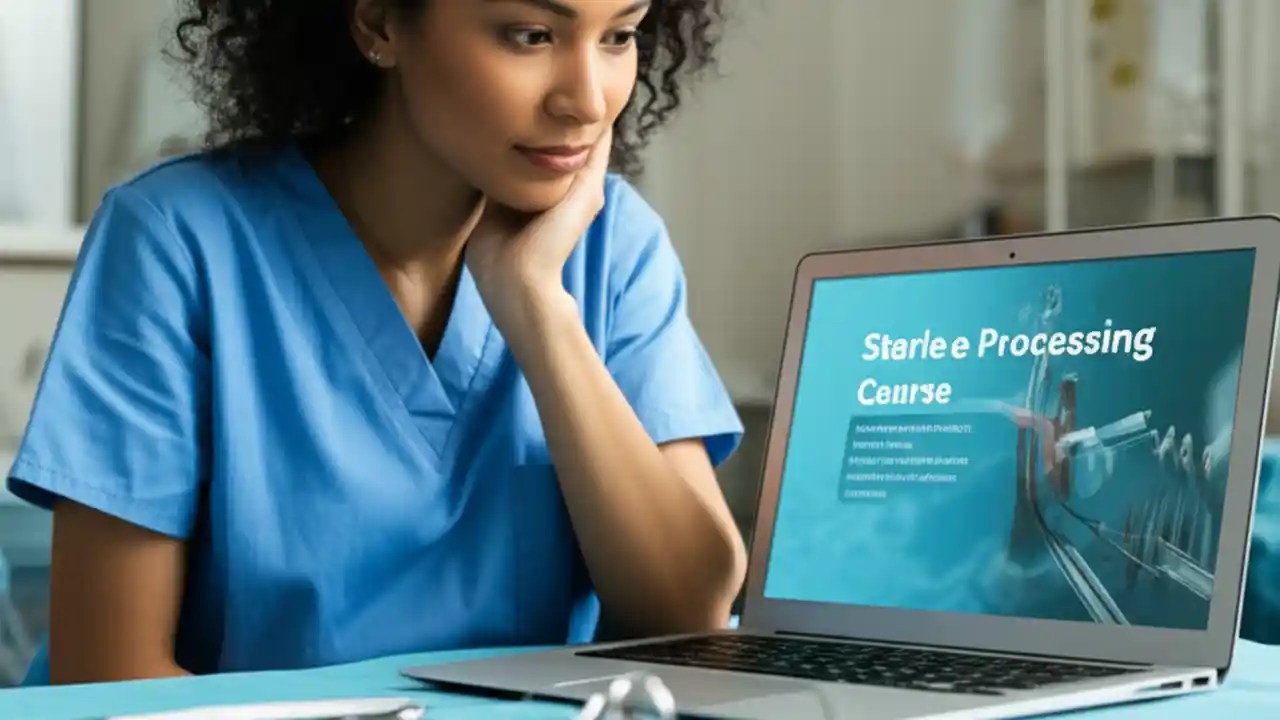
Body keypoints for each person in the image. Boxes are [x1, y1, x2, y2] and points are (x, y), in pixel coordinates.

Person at [6, 0, 746, 684]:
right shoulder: (175, 241)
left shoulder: (613, 244)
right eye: (532, 36)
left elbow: (685, 619)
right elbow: (108, 674)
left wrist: (535, 305)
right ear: (381, 25)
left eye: (619, 35)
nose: (587, 99)